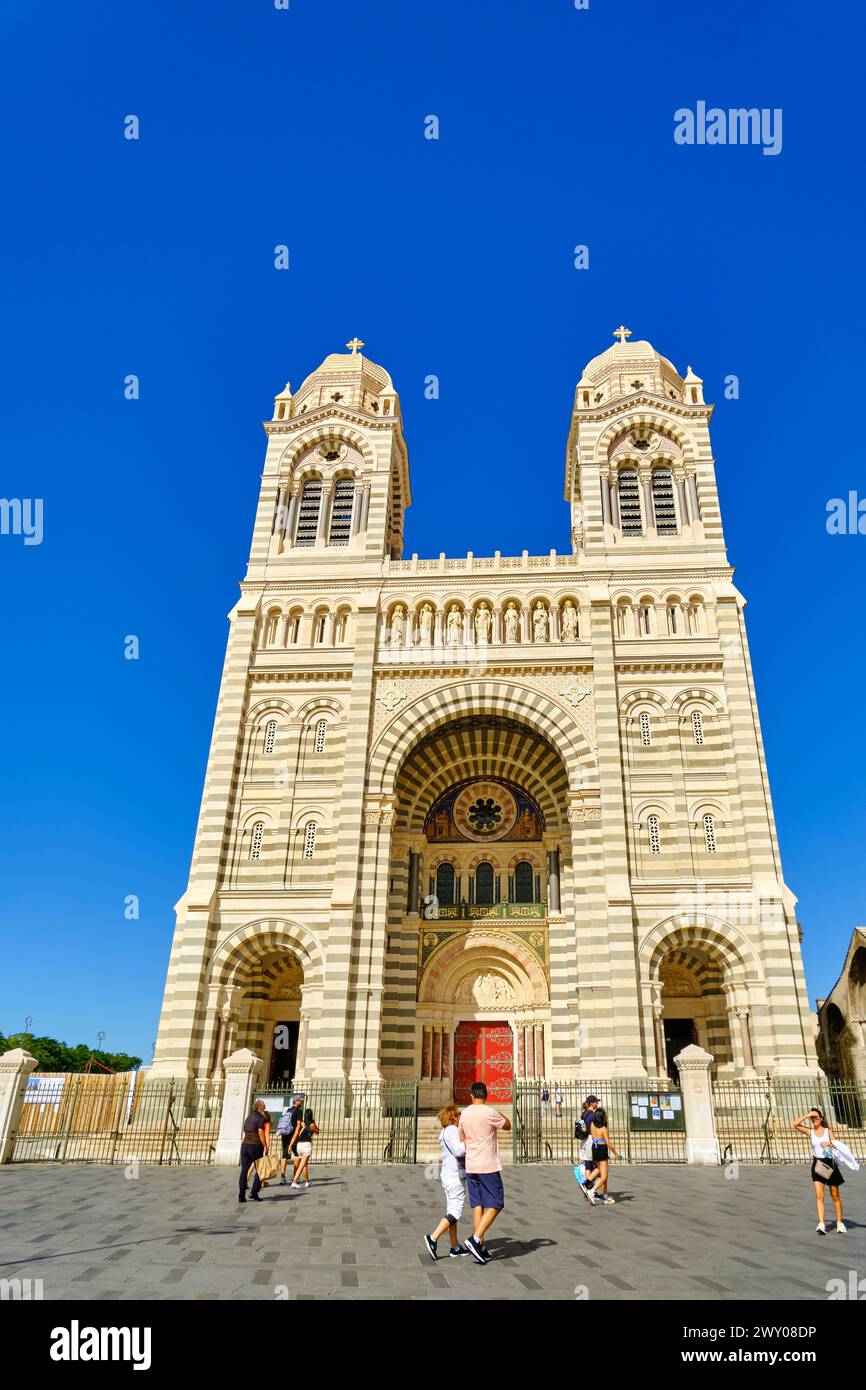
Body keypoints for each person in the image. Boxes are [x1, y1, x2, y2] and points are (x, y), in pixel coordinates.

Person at [458, 1081, 511, 1263]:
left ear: (471, 1095)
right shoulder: (490, 1113)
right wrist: (498, 1113)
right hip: (488, 1165)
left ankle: (480, 1246)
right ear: (486, 1095)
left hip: (471, 1164)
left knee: (478, 1204)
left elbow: (461, 1137)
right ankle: (476, 1238)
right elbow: (507, 1125)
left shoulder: (464, 1113)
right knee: (497, 1202)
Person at [424, 1104, 471, 1261]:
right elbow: (459, 1150)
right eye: (458, 1114)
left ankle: (454, 1246)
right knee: (456, 1212)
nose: (460, 1117)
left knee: (451, 1211)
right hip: (454, 1175)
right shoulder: (452, 1130)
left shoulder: (444, 1132)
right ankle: (433, 1237)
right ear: (453, 1117)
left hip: (447, 1174)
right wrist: (468, 1140)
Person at [792, 1108, 848, 1234]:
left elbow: (837, 1145)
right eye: (813, 1118)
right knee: (819, 1195)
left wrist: (828, 1143)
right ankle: (821, 1223)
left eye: (816, 1117)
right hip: (818, 1165)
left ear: (821, 1118)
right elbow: (795, 1124)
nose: (814, 1119)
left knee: (835, 1195)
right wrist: (807, 1115)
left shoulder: (828, 1131)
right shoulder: (810, 1132)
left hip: (830, 1164)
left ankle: (839, 1223)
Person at [583, 1104, 620, 1206]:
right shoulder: (603, 1128)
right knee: (604, 1177)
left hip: (594, 1149)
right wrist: (615, 1153)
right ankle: (592, 1191)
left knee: (599, 1169)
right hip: (602, 1149)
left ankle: (587, 1184)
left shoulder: (592, 1125)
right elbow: (608, 1143)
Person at [238, 1099, 270, 1203]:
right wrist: (265, 1145)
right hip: (255, 1146)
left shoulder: (248, 1118)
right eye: (264, 1105)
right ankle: (254, 1192)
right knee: (260, 1169)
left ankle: (241, 1196)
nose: (265, 1107)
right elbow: (261, 1132)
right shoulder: (260, 1118)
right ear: (259, 1107)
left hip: (245, 1145)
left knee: (244, 1171)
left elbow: (245, 1130)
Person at [574, 1095, 599, 1196]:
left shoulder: (584, 1114)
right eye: (596, 1102)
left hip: (584, 1141)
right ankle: (589, 1187)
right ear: (592, 1103)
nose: (597, 1103)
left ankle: (590, 1189)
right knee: (596, 1166)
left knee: (588, 1165)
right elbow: (592, 1129)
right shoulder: (592, 1115)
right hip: (590, 1140)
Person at [277, 1094, 304, 1185]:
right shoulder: (299, 1111)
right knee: (297, 1154)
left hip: (285, 1135)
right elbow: (298, 1126)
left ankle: (282, 1177)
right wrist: (295, 1137)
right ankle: (294, 1175)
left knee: (284, 1155)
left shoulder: (288, 1110)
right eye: (300, 1100)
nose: (302, 1102)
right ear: (296, 1101)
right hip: (293, 1135)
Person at [292, 1108, 319, 1189]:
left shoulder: (302, 1123)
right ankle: (294, 1181)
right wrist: (314, 1123)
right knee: (302, 1164)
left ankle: (307, 1182)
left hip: (299, 1145)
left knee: (304, 1165)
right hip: (306, 1145)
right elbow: (317, 1132)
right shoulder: (311, 1125)